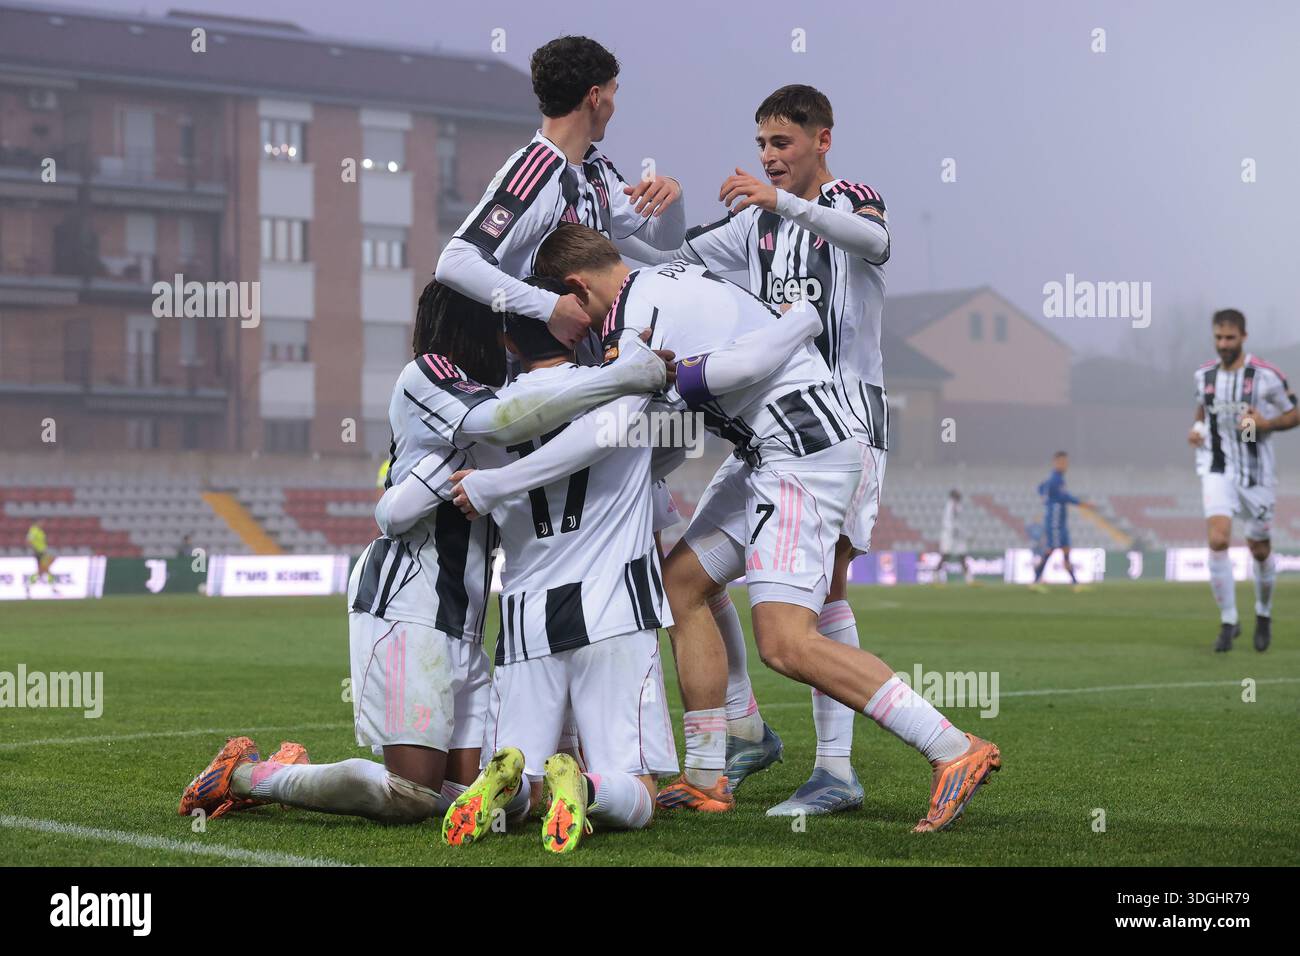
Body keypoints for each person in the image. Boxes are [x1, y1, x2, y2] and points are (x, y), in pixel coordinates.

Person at [532, 223, 1001, 832]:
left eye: (559, 307)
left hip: (800, 454)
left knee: (785, 642)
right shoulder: (667, 282)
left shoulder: (634, 321)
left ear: (576, 287)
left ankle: (952, 747)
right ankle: (709, 773)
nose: (570, 326)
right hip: (768, 449)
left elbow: (646, 417)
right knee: (682, 586)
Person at [177, 280, 669, 829]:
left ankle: (557, 786)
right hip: (410, 605)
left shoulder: (502, 398)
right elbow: (394, 511)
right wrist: (624, 375)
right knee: (410, 795)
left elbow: (518, 427)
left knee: (472, 792)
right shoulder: (430, 374)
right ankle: (251, 776)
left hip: (467, 619)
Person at [619, 84, 889, 816]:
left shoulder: (849, 201)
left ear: (822, 140)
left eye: (783, 143)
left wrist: (783, 203)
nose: (768, 156)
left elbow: (876, 244)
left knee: (826, 591)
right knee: (687, 579)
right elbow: (669, 258)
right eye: (762, 144)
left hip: (845, 429)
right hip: (770, 437)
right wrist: (657, 206)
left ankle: (836, 770)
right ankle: (743, 733)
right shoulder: (754, 226)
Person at [1188, 309, 1297, 652]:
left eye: (1230, 338)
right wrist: (1197, 428)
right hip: (1217, 466)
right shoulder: (1204, 375)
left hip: (1256, 473)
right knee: (1218, 539)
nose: (1223, 344)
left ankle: (1263, 613)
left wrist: (1265, 424)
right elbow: (1203, 408)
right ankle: (1229, 621)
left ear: (1243, 337)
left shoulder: (1265, 376)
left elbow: (1295, 412)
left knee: (1259, 549)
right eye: (1218, 338)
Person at [1029, 452, 1091, 592]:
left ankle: (1075, 583)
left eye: (1066, 462)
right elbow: (1065, 497)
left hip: (1061, 521)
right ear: (1056, 463)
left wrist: (1047, 498)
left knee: (1066, 549)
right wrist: (1082, 503)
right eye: (1062, 462)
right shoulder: (1055, 480)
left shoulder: (1057, 479)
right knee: (1051, 549)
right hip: (1055, 520)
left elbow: (1041, 488)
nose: (1065, 465)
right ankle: (1035, 580)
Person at [938, 490, 975, 585]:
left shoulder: (957, 506)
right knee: (945, 556)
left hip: (958, 536)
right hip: (949, 535)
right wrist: (954, 530)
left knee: (962, 556)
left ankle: (969, 579)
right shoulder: (950, 506)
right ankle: (935, 576)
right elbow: (949, 522)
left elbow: (959, 522)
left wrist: (966, 534)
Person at [25, 521, 55, 594]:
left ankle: (28, 586)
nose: (42, 524)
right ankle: (53, 588)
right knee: (43, 570)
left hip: (42, 552)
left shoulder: (39, 530)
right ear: (37, 522)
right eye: (41, 522)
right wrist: (35, 549)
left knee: (44, 570)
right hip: (39, 553)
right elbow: (28, 541)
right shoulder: (34, 530)